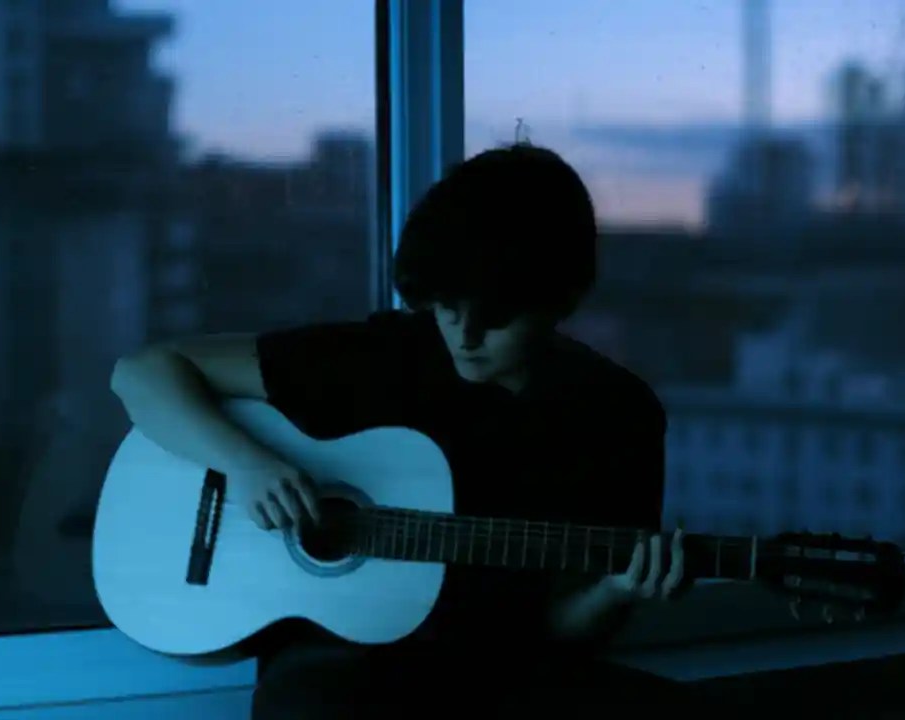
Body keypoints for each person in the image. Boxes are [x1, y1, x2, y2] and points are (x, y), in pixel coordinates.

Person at [111, 145, 709, 717]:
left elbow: (559, 635)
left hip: (503, 669)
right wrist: (246, 463)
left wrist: (617, 591)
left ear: (564, 298)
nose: (466, 336)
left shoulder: (617, 415)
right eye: (448, 306)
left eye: (496, 318)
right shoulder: (390, 352)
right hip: (340, 662)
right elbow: (141, 375)